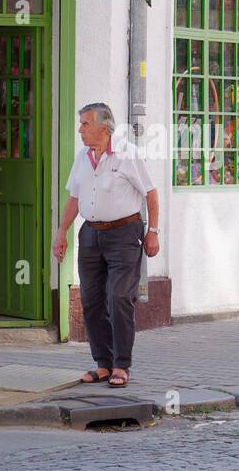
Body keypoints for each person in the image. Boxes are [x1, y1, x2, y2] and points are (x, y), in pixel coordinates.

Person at [52, 102, 159, 388]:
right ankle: (103, 363)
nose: (80, 130)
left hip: (124, 233)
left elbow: (150, 193)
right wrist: (61, 232)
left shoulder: (126, 155)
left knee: (119, 297)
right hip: (91, 235)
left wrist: (153, 232)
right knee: (91, 300)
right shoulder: (82, 157)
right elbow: (74, 198)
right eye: (81, 124)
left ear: (104, 127)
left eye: (85, 124)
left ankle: (122, 365)